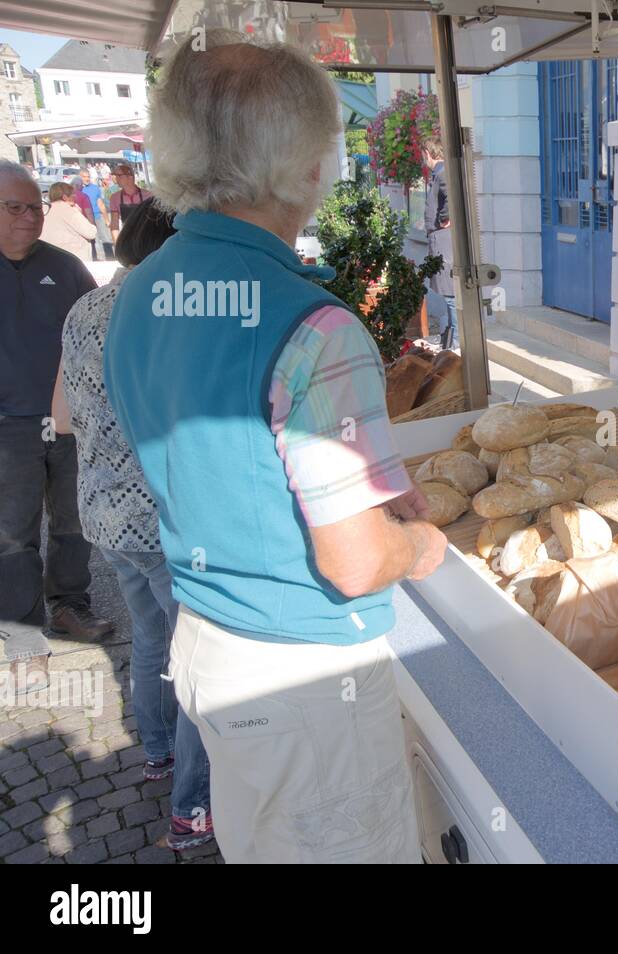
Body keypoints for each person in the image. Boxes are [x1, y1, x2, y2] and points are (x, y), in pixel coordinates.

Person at [104, 31, 445, 863]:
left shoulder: (140, 291)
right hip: (306, 684)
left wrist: (373, 492)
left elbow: (224, 457)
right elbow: (356, 563)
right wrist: (420, 545)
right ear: (303, 161)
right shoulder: (315, 325)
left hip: (209, 652)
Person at [50, 197, 215, 850]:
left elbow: (61, 421)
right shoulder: (167, 312)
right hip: (163, 518)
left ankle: (158, 752)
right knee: (202, 660)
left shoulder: (82, 309)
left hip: (102, 511)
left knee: (151, 641)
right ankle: (192, 809)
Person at [0, 160, 113, 661]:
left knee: (73, 522)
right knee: (13, 534)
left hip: (68, 422)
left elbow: (99, 328)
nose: (30, 217)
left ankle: (69, 605)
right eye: (15, 207)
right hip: (7, 427)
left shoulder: (64, 267)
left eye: (35, 207)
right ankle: (21, 629)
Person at [423, 139, 456, 350]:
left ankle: (457, 343)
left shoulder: (443, 173)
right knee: (448, 294)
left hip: (444, 240)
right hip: (440, 239)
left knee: (451, 294)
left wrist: (445, 217)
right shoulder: (440, 172)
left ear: (428, 153)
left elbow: (450, 195)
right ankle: (451, 339)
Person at [42, 182, 98, 260]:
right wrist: (79, 213)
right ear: (65, 197)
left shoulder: (43, 210)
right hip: (73, 259)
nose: (75, 196)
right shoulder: (69, 210)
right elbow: (90, 233)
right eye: (72, 194)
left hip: (47, 257)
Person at [109, 164, 150, 242]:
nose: (116, 179)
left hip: (147, 238)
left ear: (130, 177)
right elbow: (114, 224)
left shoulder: (148, 195)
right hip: (128, 239)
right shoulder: (114, 198)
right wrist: (117, 244)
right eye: (115, 176)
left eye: (119, 176)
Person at [78, 167, 110, 261]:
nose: (87, 179)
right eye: (84, 177)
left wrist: (107, 219)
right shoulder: (78, 190)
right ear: (80, 177)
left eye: (88, 176)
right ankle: (95, 260)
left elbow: (100, 204)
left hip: (97, 217)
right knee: (92, 241)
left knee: (105, 239)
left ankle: (111, 258)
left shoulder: (95, 188)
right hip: (85, 219)